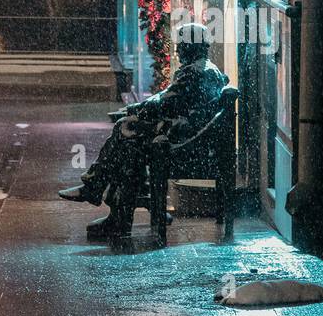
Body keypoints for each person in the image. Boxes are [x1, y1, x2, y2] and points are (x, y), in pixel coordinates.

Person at [59, 23, 228, 238]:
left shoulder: (196, 72)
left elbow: (165, 102)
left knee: (126, 133)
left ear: (192, 47)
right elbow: (168, 98)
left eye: (181, 46)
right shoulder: (202, 69)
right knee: (129, 146)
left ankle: (101, 194)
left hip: (183, 143)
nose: (177, 50)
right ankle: (111, 207)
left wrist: (135, 109)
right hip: (186, 136)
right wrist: (138, 110)